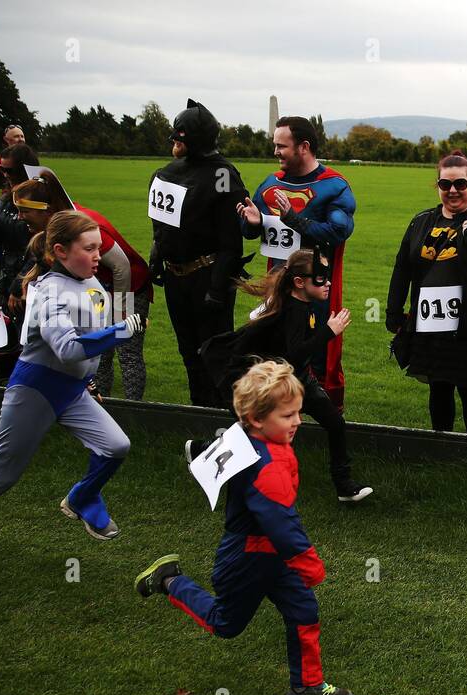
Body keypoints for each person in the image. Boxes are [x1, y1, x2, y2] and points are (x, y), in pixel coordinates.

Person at [0, 211, 144, 579]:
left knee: (116, 446)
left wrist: (89, 381)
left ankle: (82, 497)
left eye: (99, 248)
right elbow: (70, 349)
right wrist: (119, 333)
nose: (98, 256)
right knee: (3, 472)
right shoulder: (49, 290)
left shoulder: (91, 283)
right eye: (89, 249)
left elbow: (81, 353)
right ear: (59, 251)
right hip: (36, 389)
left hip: (72, 391)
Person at [136, 360, 354, 695]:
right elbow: (280, 521)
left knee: (303, 612)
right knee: (226, 624)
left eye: (298, 413)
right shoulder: (266, 465)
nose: (298, 421)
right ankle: (170, 581)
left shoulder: (253, 438)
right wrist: (308, 564)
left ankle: (307, 687)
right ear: (256, 420)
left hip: (273, 555)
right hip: (248, 558)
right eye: (288, 416)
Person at [192, 247, 372, 503]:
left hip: (291, 376)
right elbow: (295, 353)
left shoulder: (302, 303)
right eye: (321, 278)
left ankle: (343, 486)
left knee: (334, 422)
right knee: (254, 437)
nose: (328, 282)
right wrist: (329, 332)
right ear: (299, 282)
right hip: (265, 382)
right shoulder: (293, 310)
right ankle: (205, 450)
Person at [385, 150, 467, 432]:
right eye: (446, 184)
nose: (453, 191)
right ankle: (441, 446)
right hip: (429, 321)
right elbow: (402, 267)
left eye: (460, 184)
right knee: (439, 387)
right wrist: (393, 312)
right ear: (438, 186)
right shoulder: (420, 221)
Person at [236, 116, 354, 410]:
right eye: (275, 145)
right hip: (279, 287)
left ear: (303, 147)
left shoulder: (334, 186)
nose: (276, 151)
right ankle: (276, 415)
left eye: (281, 146)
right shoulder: (270, 183)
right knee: (274, 350)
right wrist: (251, 223)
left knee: (318, 354)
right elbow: (257, 230)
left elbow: (339, 232)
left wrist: (296, 221)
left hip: (316, 289)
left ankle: (327, 423)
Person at [11, 171, 153, 400]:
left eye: (25, 211)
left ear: (45, 210)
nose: (19, 217)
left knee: (127, 351)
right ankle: (101, 405)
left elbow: (122, 267)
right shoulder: (58, 226)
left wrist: (119, 313)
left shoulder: (82, 224)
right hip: (96, 288)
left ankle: (133, 411)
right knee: (99, 350)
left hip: (128, 286)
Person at [149, 99, 248, 407]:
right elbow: (162, 225)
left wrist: (217, 289)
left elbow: (231, 241)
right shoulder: (167, 172)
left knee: (215, 353)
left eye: (180, 137)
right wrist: (157, 255)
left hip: (208, 275)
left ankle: (222, 418)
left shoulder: (223, 175)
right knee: (188, 351)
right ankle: (198, 412)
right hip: (176, 277)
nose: (174, 143)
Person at [0, 143, 40, 312]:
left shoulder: (40, 201)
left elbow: (40, 249)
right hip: (7, 284)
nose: (4, 175)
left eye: (9, 171)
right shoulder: (5, 200)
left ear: (24, 170)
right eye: (2, 170)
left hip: (29, 289)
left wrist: (18, 287)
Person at [0, 124, 26, 190]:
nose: (21, 139)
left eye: (22, 136)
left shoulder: (29, 156)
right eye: (16, 136)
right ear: (6, 139)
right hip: (10, 197)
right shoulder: (5, 159)